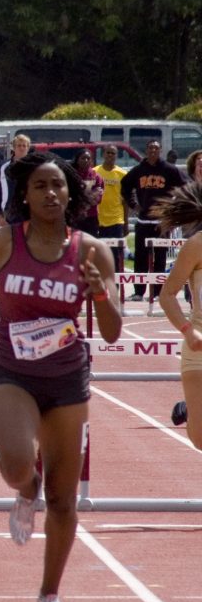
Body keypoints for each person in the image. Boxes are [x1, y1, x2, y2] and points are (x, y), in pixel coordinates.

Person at [0, 152, 121, 602]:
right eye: (40, 186)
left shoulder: (92, 250)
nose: (51, 193)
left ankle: (49, 592)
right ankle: (26, 488)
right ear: (24, 196)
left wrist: (100, 293)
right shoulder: (1, 242)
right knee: (15, 465)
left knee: (65, 501)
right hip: (14, 373)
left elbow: (112, 331)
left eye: (58, 186)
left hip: (67, 380)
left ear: (71, 194)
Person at [152, 182, 202, 435]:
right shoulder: (196, 245)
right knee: (199, 436)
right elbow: (168, 295)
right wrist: (187, 330)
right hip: (199, 344)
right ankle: (192, 410)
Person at [120, 139, 185, 301]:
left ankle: (157, 292)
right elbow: (125, 185)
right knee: (140, 257)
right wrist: (133, 203)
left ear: (160, 150)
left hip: (161, 222)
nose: (153, 151)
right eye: (150, 148)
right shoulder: (139, 170)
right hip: (143, 222)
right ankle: (138, 292)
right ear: (146, 150)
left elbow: (185, 185)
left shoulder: (169, 170)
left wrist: (174, 206)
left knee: (160, 257)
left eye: (156, 148)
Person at [94, 144, 129, 266]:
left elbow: (125, 201)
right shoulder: (95, 172)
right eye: (108, 152)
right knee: (100, 254)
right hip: (99, 219)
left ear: (116, 155)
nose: (110, 155)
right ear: (103, 154)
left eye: (113, 153)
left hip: (116, 220)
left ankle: (116, 284)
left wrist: (126, 223)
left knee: (116, 255)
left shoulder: (122, 174)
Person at [0, 134, 31, 226]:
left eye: (24, 146)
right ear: (13, 148)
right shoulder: (3, 167)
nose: (22, 148)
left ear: (28, 148)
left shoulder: (34, 167)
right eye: (19, 145)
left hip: (29, 212)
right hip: (8, 213)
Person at [73, 148, 104, 235]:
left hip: (91, 217)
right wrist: (90, 195)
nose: (86, 160)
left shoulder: (96, 177)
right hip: (75, 216)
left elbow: (98, 199)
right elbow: (71, 196)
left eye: (88, 158)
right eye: (83, 158)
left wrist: (81, 196)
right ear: (77, 160)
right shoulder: (72, 175)